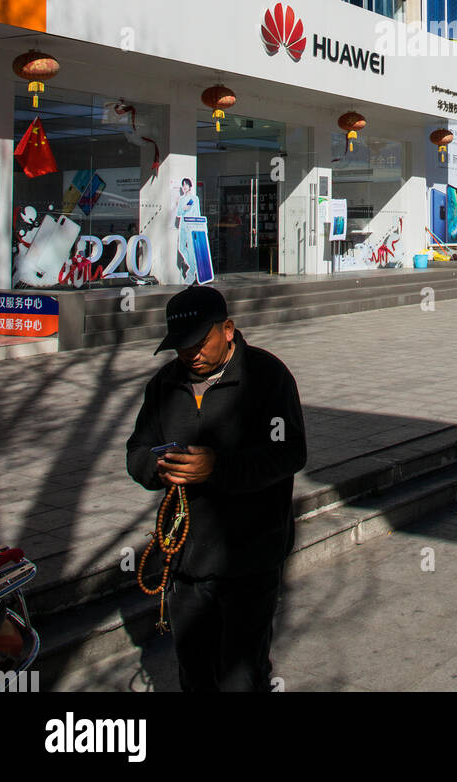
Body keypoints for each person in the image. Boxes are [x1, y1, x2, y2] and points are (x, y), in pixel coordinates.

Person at [126, 285, 307, 691]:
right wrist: (156, 467)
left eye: (198, 343)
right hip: (186, 563)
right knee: (194, 673)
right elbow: (136, 450)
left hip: (250, 558)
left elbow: (289, 454)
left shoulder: (267, 377)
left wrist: (217, 467)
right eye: (180, 347)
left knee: (241, 677)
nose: (190, 354)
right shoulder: (165, 385)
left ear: (227, 330)